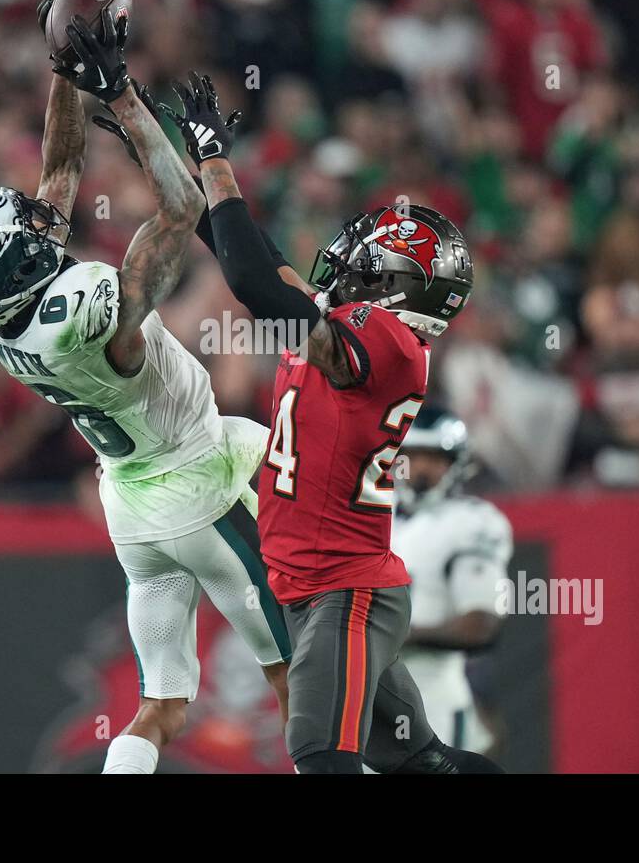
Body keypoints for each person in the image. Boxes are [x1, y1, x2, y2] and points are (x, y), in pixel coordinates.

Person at [0, 0, 290, 775]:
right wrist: (121, 92)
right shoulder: (82, 313)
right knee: (297, 672)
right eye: (16, 235)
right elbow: (183, 209)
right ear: (9, 267)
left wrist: (64, 72)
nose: (29, 219)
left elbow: (57, 172)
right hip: (200, 479)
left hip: (133, 503)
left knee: (161, 706)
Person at [162, 71, 500, 773]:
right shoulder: (359, 326)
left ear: (395, 285)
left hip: (343, 588)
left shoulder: (388, 343)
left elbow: (257, 286)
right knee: (423, 765)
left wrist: (216, 158)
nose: (347, 258)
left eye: (369, 258)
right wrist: (149, 130)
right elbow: (233, 244)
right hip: (317, 584)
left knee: (319, 754)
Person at [391, 405, 512, 755]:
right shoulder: (371, 518)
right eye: (414, 457)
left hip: (433, 698)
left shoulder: (470, 522)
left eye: (435, 458)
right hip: (364, 696)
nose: (423, 470)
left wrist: (396, 637)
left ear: (456, 464)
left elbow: (480, 626)